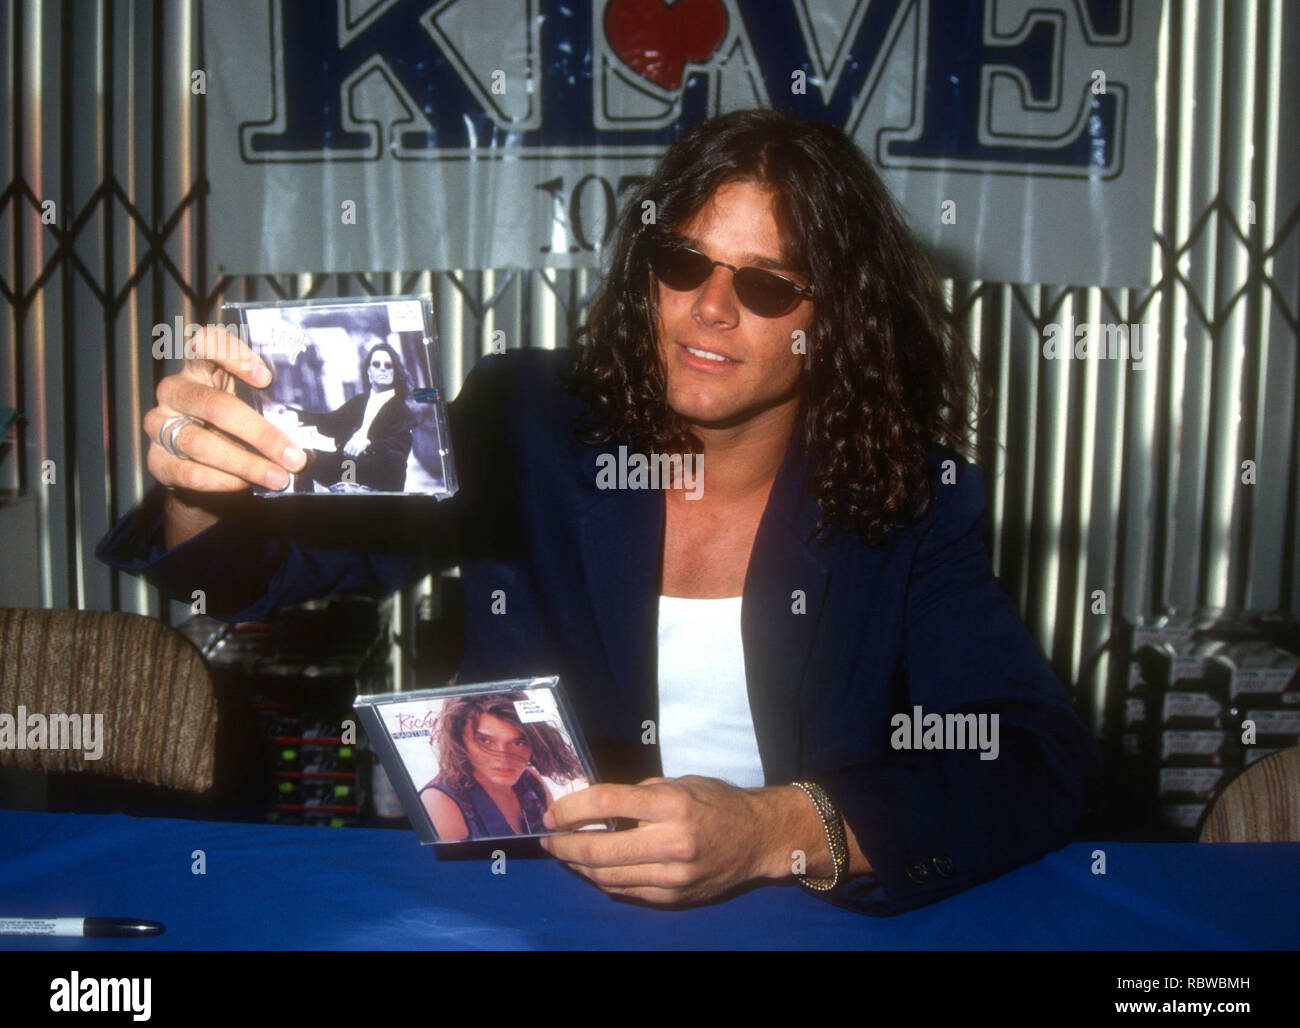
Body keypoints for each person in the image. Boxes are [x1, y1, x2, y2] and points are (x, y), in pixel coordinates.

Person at [99, 108, 1101, 916]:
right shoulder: (529, 424)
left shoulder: (908, 498)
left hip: (794, 918)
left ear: (836, 322)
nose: (709, 310)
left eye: (764, 285)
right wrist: (198, 485)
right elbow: (257, 576)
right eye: (682, 263)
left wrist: (779, 831)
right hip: (531, 906)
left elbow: (1029, 755)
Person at [419, 693, 587, 840]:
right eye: (484, 741)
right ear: (459, 741)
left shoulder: (531, 780)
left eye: (518, 742)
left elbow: (557, 841)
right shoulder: (438, 800)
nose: (503, 758)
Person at [284, 341, 414, 492]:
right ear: (369, 371)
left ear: (395, 372)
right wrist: (291, 412)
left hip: (377, 475)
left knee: (354, 482)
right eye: (376, 364)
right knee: (304, 457)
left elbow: (399, 448)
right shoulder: (360, 401)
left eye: (388, 365)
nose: (382, 369)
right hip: (349, 468)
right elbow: (329, 423)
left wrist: (369, 445)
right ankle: (304, 509)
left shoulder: (401, 410)